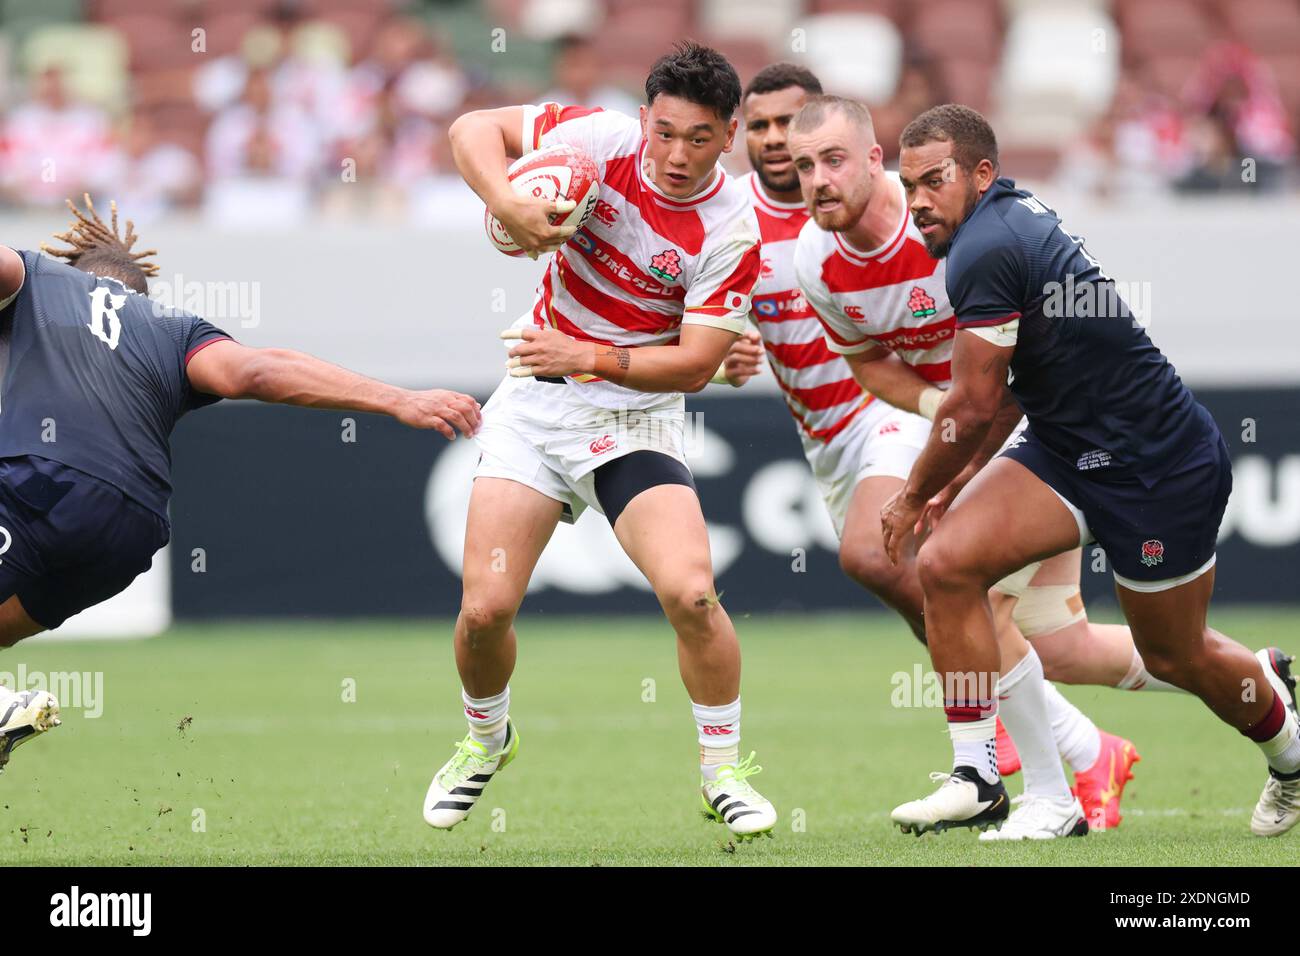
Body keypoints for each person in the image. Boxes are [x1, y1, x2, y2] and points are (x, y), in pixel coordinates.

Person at [736, 81, 1143, 839]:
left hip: (1017, 425)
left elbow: (1002, 374)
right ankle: (1115, 740)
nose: (813, 174)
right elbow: (873, 365)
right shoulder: (804, 254)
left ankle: (988, 768)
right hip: (910, 417)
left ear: (872, 158)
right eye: (793, 153)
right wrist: (936, 416)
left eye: (829, 156)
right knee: (1050, 643)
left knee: (898, 561)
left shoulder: (950, 228)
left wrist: (948, 457)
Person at [883, 104, 1299, 838]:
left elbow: (974, 403)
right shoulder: (1000, 220)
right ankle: (1002, 782)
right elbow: (1008, 390)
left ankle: (1291, 755)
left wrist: (912, 493)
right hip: (1070, 449)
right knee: (946, 565)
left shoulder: (985, 247)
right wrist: (957, 481)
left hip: (1156, 466)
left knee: (1176, 653)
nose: (917, 200)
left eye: (933, 181)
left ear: (982, 174)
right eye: (908, 183)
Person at [427, 42, 776, 838]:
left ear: (729, 136)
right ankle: (486, 742)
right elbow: (471, 129)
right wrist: (507, 204)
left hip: (631, 419)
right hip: (535, 411)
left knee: (692, 592)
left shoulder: (731, 228)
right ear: (643, 119)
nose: (675, 154)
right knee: (483, 610)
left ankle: (722, 771)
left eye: (698, 138)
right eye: (663, 132)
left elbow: (693, 366)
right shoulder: (597, 138)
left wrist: (586, 355)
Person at [0, 195, 482, 772]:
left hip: (45, 480)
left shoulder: (38, 278)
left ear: (77, 271)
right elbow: (257, 371)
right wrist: (401, 398)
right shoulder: (177, 331)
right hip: (132, 533)